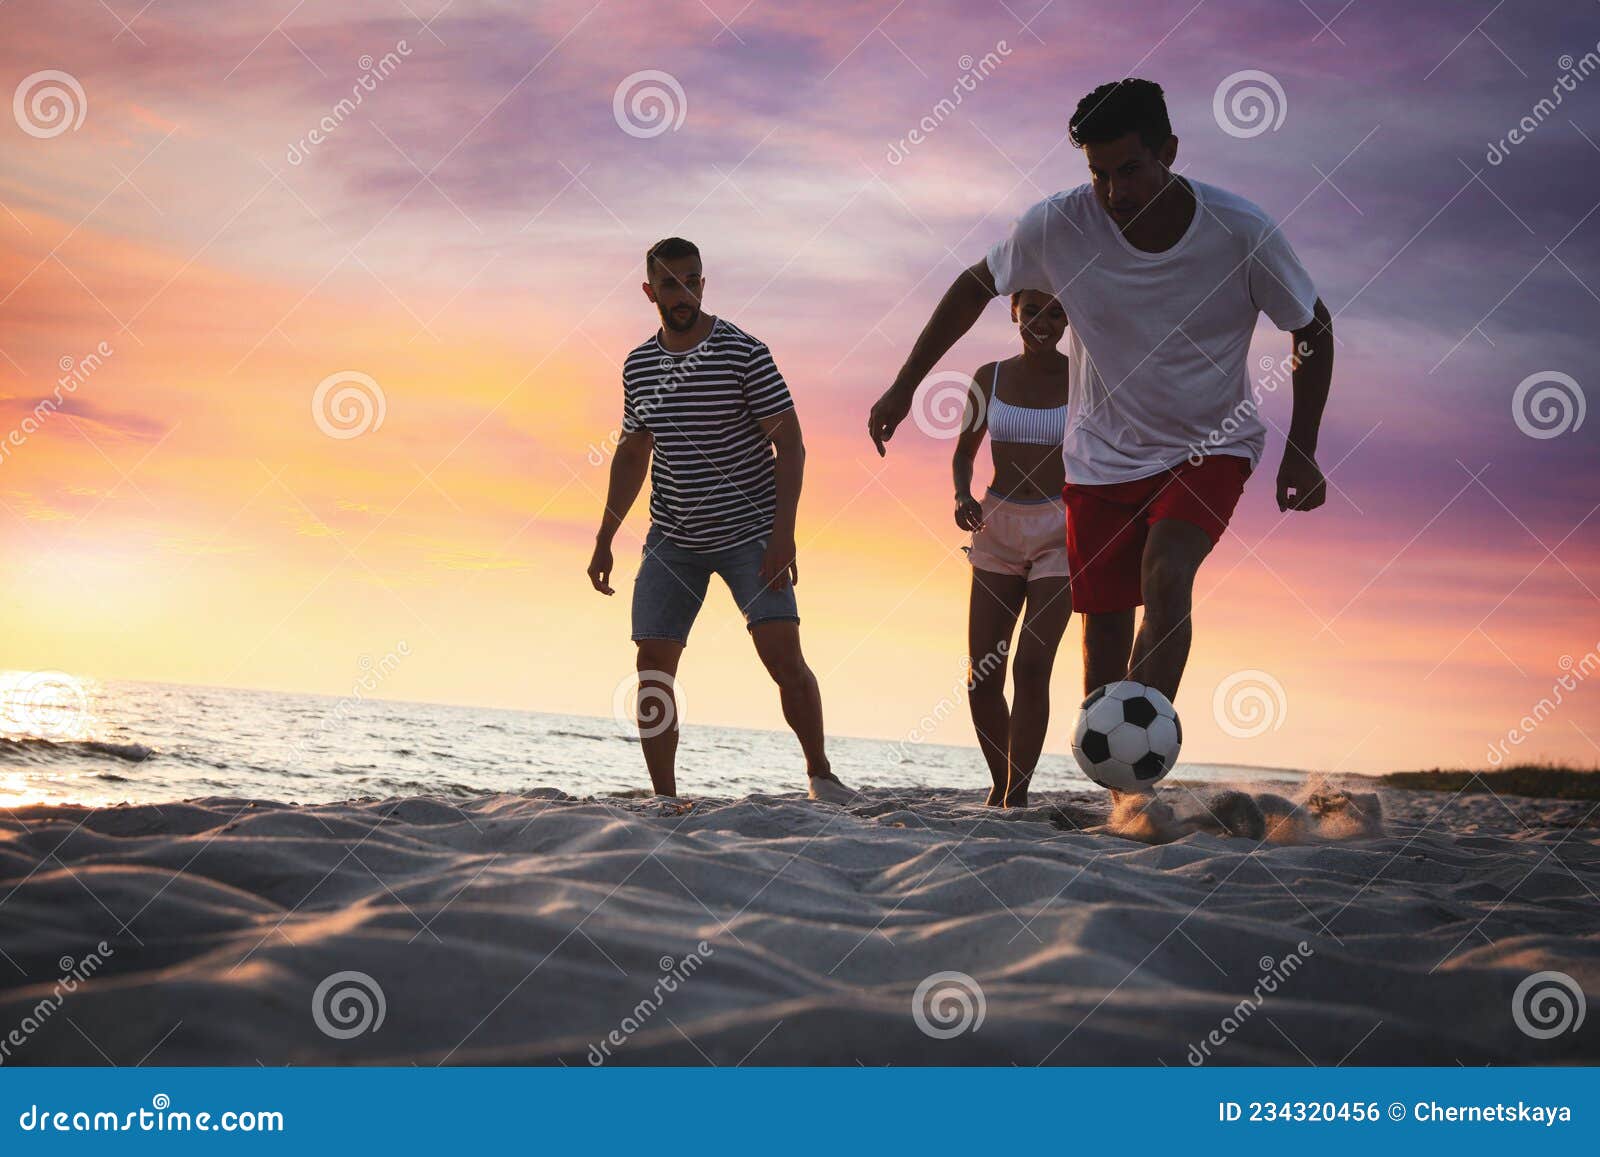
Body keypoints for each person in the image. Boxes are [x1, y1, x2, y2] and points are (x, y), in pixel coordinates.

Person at [868, 78, 1333, 742]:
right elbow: (976, 284)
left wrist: (1303, 445)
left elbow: (1312, 326)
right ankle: (1124, 797)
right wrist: (904, 384)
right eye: (1099, 174)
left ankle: (1139, 763)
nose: (1115, 192)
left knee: (1167, 571)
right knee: (1105, 629)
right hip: (1099, 457)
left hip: (1208, 446)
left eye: (1130, 170)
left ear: (1168, 150)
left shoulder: (1241, 231)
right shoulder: (1059, 225)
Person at [587, 237, 854, 804]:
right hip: (673, 536)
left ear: (703, 284)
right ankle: (664, 798)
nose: (681, 294)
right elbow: (634, 452)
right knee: (652, 663)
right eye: (669, 284)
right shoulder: (639, 364)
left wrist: (783, 534)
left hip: (750, 531)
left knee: (782, 655)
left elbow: (792, 443)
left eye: (691, 281)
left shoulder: (743, 352)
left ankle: (820, 774)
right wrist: (605, 536)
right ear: (648, 291)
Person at [953, 290, 1073, 808]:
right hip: (998, 525)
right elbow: (964, 453)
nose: (1043, 323)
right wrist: (961, 493)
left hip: (1061, 530)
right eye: (1032, 313)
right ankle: (1001, 782)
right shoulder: (990, 376)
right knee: (983, 674)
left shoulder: (1085, 379)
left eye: (1056, 313)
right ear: (1014, 313)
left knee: (1031, 666)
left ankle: (1016, 797)